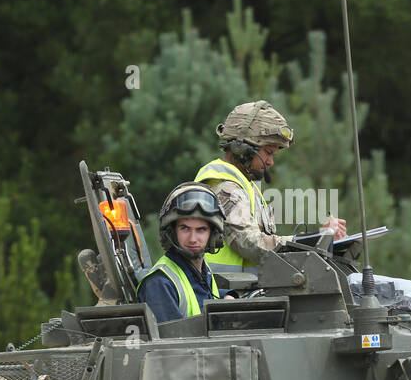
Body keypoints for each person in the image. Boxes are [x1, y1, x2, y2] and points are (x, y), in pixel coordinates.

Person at [195, 100, 346, 272]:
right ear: (242, 148)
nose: (271, 162)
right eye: (268, 152)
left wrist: (319, 238)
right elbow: (252, 244)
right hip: (220, 294)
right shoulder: (224, 187)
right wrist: (315, 240)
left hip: (240, 293)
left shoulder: (245, 186)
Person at [137, 182, 226, 323]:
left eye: (201, 229)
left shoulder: (201, 270)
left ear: (213, 234)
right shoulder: (160, 284)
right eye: (185, 228)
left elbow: (200, 298)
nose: (192, 239)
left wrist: (229, 296)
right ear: (172, 232)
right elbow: (171, 342)